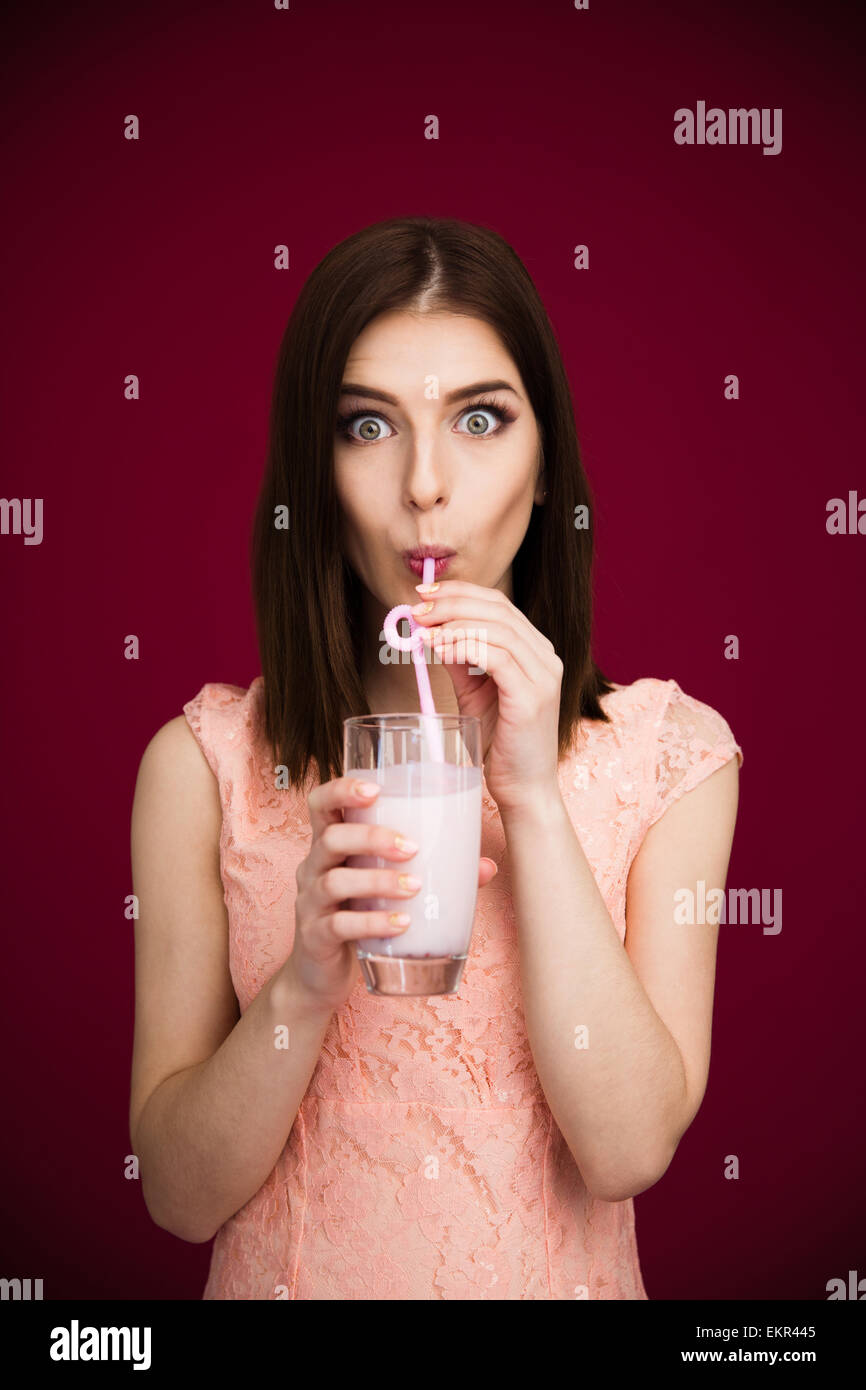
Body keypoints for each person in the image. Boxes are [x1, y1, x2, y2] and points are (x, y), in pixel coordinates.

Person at [129, 216, 742, 1300]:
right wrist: (304, 982)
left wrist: (531, 803)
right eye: (366, 425)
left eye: (479, 418)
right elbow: (176, 1197)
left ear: (548, 464)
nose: (423, 484)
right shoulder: (202, 764)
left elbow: (625, 1149)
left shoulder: (673, 758)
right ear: (311, 479)